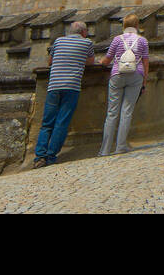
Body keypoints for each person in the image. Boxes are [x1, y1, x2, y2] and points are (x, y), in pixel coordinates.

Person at [33, 21, 94, 168]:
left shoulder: (58, 41)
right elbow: (91, 62)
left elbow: (50, 62)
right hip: (72, 87)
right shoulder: (87, 43)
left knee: (47, 123)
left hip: (54, 86)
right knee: (61, 122)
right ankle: (51, 156)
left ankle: (39, 156)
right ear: (84, 32)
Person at [99, 13, 150, 156]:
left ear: (124, 26)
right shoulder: (142, 41)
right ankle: (120, 146)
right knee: (126, 112)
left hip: (117, 75)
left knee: (112, 112)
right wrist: (144, 83)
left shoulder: (117, 39)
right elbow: (145, 63)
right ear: (137, 25)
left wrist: (100, 62)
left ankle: (105, 149)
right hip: (136, 75)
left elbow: (107, 59)